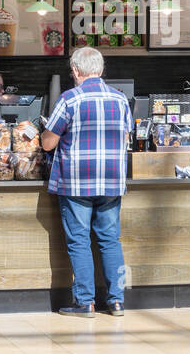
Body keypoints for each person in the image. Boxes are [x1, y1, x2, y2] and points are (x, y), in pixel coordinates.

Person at [40, 47, 131, 318]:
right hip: (112, 181)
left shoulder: (70, 99)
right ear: (101, 71)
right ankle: (116, 302)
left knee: (79, 241)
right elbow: (126, 139)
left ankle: (85, 302)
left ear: (76, 72)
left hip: (77, 182)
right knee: (110, 240)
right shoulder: (120, 99)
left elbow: (48, 143)